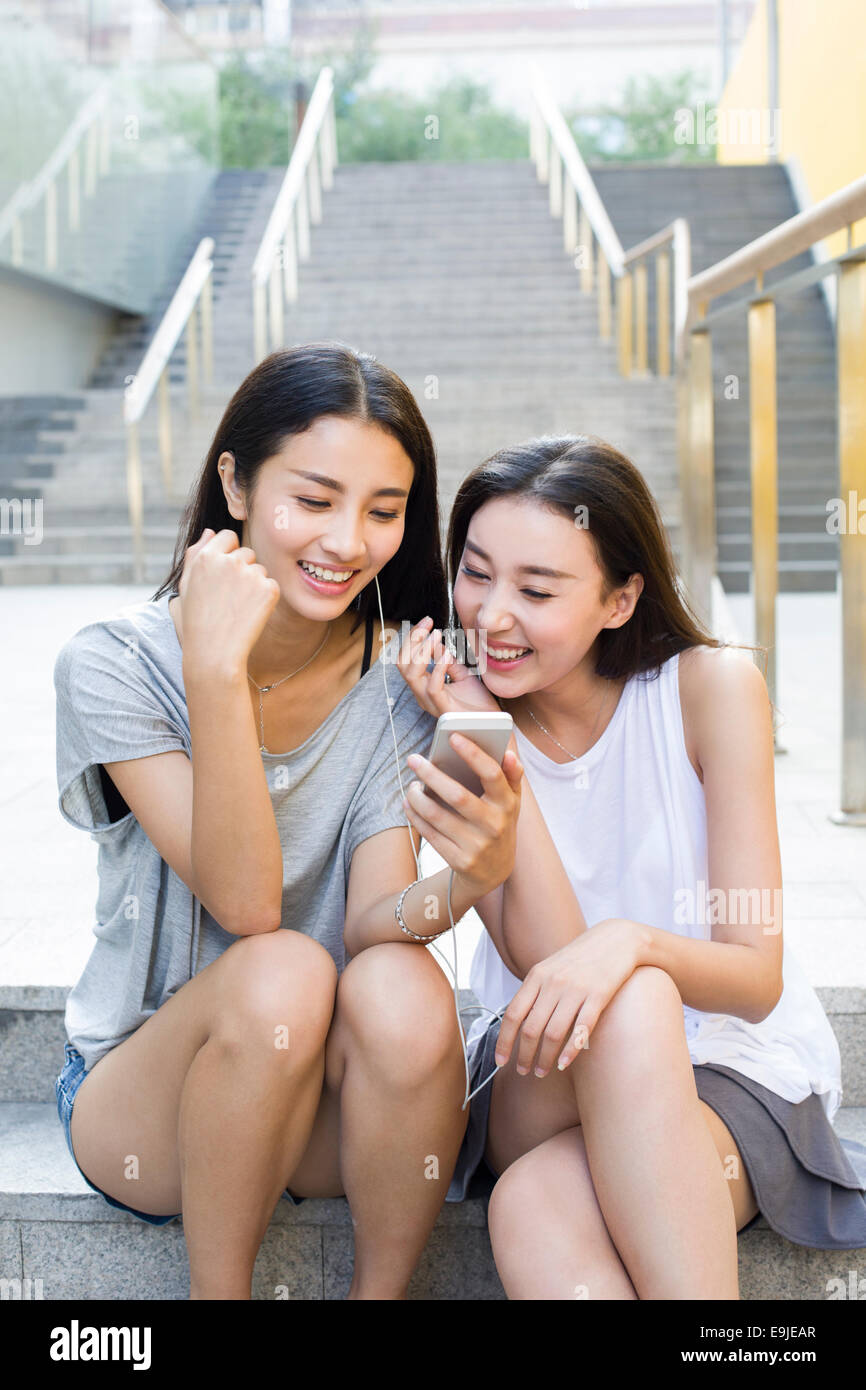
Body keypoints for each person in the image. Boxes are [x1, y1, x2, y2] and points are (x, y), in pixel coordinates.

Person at [52, 341, 523, 1300]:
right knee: (280, 968)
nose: (349, 542)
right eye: (313, 500)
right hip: (148, 1104)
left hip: (316, 1104)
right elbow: (247, 902)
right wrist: (215, 672)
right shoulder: (112, 663)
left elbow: (374, 920)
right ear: (234, 482)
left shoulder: (394, 683)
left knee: (403, 985)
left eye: (383, 512)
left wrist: (470, 879)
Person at [397, 432, 866, 1300]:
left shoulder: (710, 690)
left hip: (728, 1073)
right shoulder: (459, 718)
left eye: (536, 590)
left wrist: (632, 943)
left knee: (535, 1204)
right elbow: (550, 963)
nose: (491, 616)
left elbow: (755, 977)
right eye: (476, 572)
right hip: (544, 1068)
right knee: (624, 996)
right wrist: (488, 747)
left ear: (621, 598)